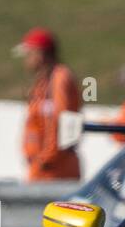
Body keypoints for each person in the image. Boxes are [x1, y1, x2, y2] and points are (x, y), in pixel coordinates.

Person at [14, 27, 82, 181]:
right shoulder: (43, 83)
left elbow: (61, 121)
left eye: (29, 54)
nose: (26, 60)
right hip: (42, 168)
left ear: (40, 54)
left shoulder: (59, 78)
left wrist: (46, 159)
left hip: (55, 170)